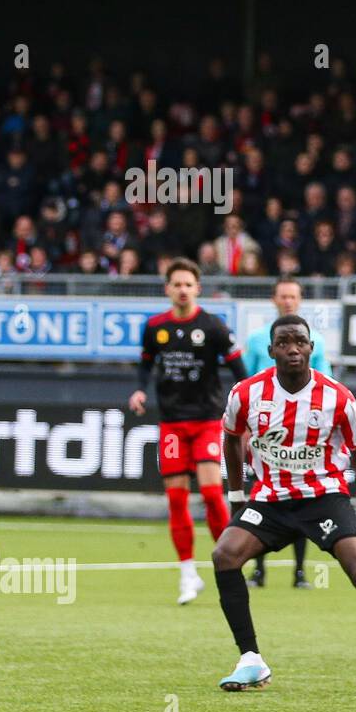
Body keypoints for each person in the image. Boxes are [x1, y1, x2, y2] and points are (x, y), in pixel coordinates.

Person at [214, 315, 356, 696]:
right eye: (284, 342)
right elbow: (230, 439)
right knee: (224, 555)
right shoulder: (246, 393)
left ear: (311, 348)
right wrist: (237, 499)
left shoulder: (337, 396)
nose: (292, 349)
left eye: (300, 342)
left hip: (324, 498)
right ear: (271, 350)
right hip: (271, 499)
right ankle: (250, 659)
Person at [128, 258, 246, 605]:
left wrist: (251, 406)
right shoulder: (154, 327)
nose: (182, 290)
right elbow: (146, 364)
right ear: (167, 289)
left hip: (208, 419)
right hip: (171, 423)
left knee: (211, 494)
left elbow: (239, 369)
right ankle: (187, 574)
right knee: (176, 499)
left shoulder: (213, 327)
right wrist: (139, 390)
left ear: (197, 288)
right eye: (176, 284)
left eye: (188, 285)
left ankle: (228, 558)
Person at [241, 276, 332, 590]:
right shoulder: (256, 339)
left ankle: (299, 571)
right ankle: (258, 570)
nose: (288, 301)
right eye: (283, 296)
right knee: (262, 494)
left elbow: (325, 383)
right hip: (265, 429)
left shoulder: (315, 339)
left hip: (304, 430)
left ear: (300, 299)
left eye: (293, 296)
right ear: (274, 299)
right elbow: (244, 379)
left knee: (300, 495)